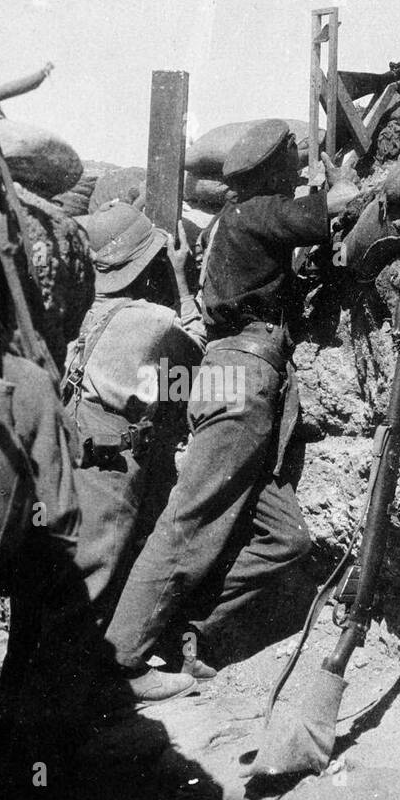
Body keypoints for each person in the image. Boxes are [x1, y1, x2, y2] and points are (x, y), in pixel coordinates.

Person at [103, 119, 358, 682]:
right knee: (189, 524)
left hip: (228, 373)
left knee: (285, 537)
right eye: (292, 169)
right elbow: (341, 203)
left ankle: (188, 630)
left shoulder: (225, 225)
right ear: (276, 171)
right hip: (242, 378)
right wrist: (343, 178)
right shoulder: (257, 213)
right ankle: (120, 658)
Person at [64, 200, 207, 701]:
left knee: (73, 572)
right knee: (96, 575)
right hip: (112, 462)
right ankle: (84, 697)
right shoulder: (149, 320)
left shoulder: (90, 310)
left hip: (77, 452)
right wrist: (185, 283)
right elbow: (196, 353)